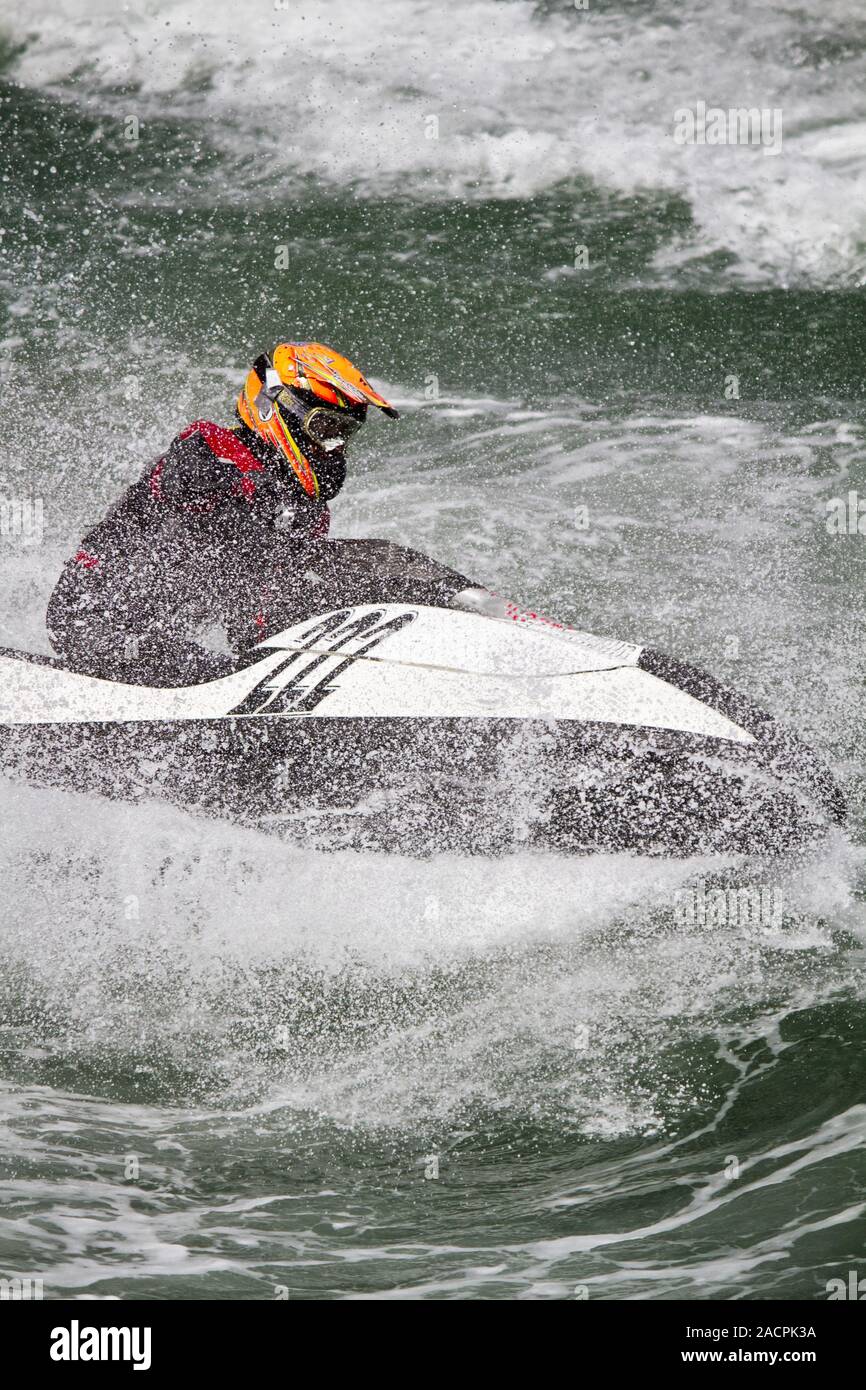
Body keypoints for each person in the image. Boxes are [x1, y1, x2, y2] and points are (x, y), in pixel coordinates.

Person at [46, 342, 401, 684]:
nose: (333, 447)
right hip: (91, 620)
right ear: (278, 407)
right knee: (227, 673)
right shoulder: (208, 449)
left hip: (159, 640)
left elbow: (255, 619)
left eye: (343, 435)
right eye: (325, 430)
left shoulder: (305, 512)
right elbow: (179, 484)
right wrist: (243, 488)